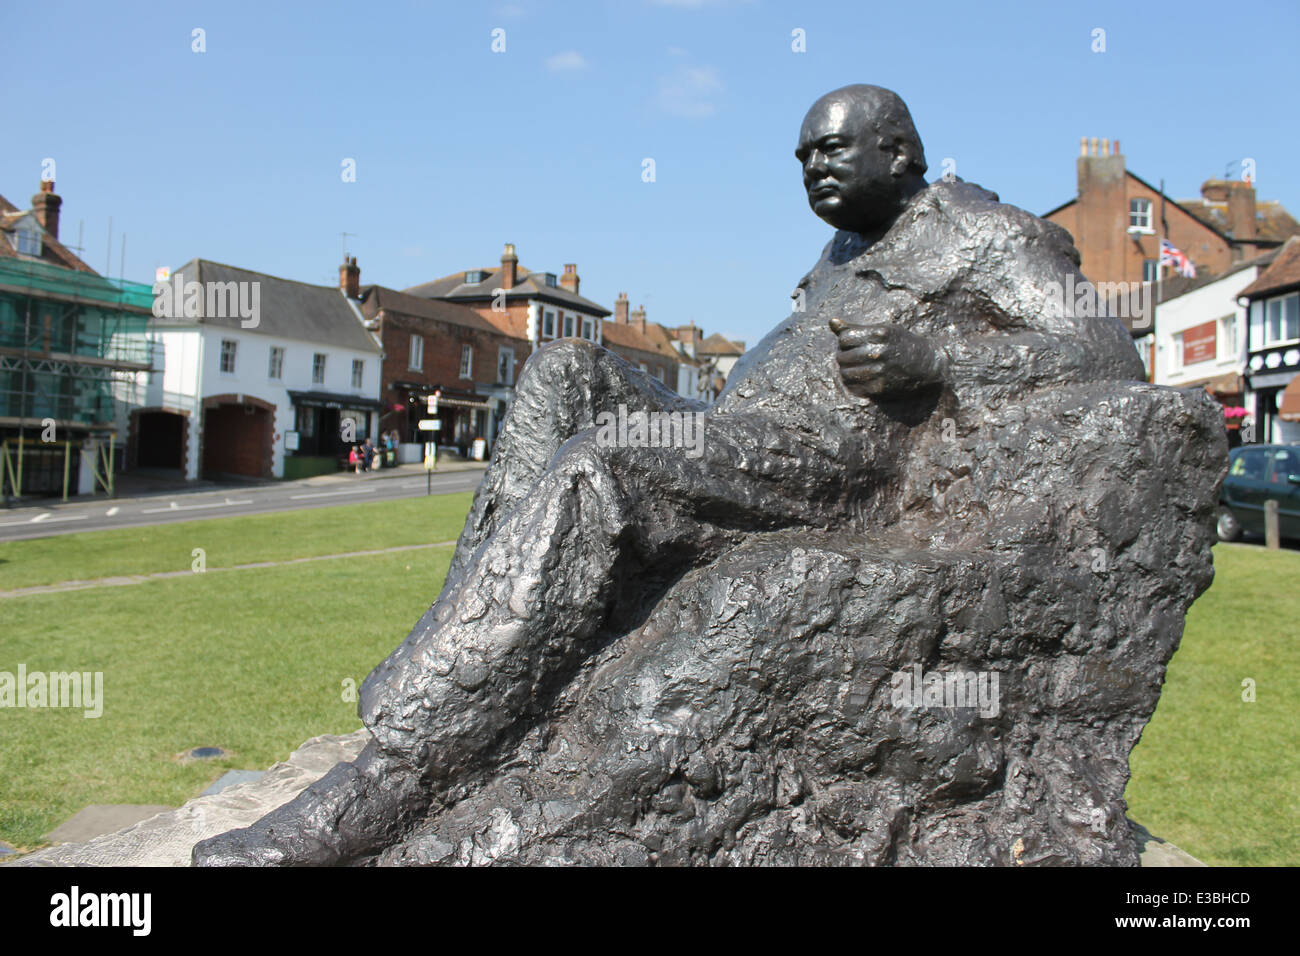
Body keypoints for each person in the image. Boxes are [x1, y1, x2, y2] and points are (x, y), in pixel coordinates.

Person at [194, 84, 1141, 866]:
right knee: (564, 372)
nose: (812, 169)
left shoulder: (992, 236)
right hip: (742, 430)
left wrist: (934, 358)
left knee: (612, 458)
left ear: (901, 152)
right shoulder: (848, 245)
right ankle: (482, 653)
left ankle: (399, 764)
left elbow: (1104, 360)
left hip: (833, 465)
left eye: (831, 151)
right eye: (801, 157)